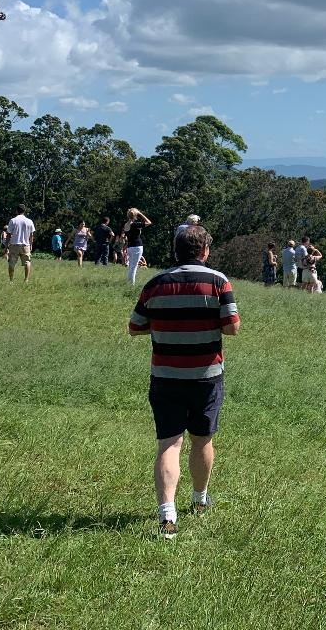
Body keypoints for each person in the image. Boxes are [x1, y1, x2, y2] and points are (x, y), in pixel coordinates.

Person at [129, 224, 240, 539]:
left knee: (169, 443)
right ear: (205, 252)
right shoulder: (219, 282)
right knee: (202, 440)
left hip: (165, 376)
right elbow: (232, 328)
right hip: (206, 376)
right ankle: (200, 499)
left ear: (175, 251)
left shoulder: (155, 284)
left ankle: (167, 514)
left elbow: (135, 327)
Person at [121, 208, 153, 286]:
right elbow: (149, 222)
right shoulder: (135, 225)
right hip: (137, 247)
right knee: (134, 267)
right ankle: (131, 285)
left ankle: (129, 283)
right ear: (135, 215)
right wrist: (140, 214)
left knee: (131, 267)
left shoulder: (126, 225)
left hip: (130, 247)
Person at [4, 205, 36, 283]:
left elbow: (8, 234)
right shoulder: (29, 221)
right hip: (26, 245)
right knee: (27, 262)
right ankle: (26, 280)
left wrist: (6, 246)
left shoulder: (13, 220)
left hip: (14, 244)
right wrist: (31, 244)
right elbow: (31, 235)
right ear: (24, 211)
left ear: (16, 211)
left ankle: (11, 280)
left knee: (12, 262)